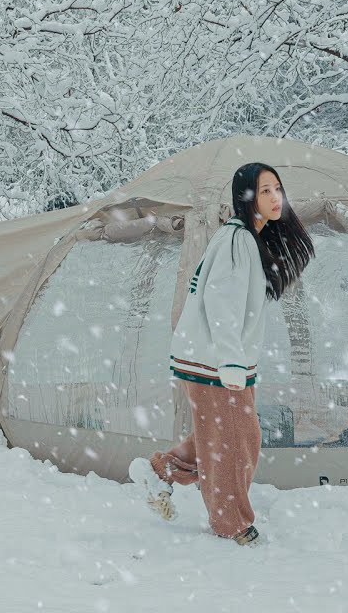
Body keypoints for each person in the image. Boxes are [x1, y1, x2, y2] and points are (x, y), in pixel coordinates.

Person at [129, 161, 314, 546]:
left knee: (222, 434)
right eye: (265, 190)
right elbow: (221, 302)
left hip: (220, 359)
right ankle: (232, 523)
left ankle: (161, 471)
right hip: (215, 360)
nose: (275, 197)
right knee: (238, 440)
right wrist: (230, 361)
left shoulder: (249, 237)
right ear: (247, 197)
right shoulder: (237, 239)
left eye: (277, 188)